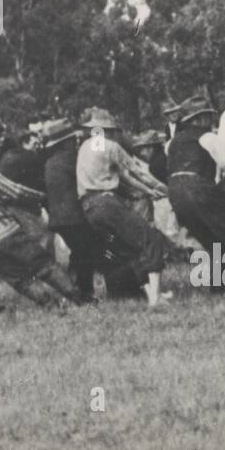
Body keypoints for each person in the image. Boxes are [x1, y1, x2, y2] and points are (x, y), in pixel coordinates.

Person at [0, 142, 86, 307]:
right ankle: (79, 298)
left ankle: (52, 304)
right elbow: (16, 192)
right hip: (8, 233)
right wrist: (41, 196)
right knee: (44, 266)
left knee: (20, 280)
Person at [76, 109, 170, 307]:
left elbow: (124, 177)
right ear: (109, 131)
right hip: (107, 203)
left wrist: (147, 191)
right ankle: (156, 297)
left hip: (88, 207)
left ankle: (150, 294)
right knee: (152, 239)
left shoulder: (84, 147)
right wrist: (164, 189)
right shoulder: (111, 147)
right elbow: (137, 172)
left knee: (131, 249)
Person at [166, 101, 225, 261]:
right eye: (207, 116)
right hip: (198, 189)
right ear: (199, 119)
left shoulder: (172, 143)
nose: (211, 120)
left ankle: (221, 285)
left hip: (175, 195)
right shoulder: (209, 137)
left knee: (211, 240)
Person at [40, 118, 104, 302]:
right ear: (66, 141)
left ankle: (74, 287)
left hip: (58, 218)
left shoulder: (50, 162)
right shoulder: (71, 158)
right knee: (86, 252)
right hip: (73, 216)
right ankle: (83, 293)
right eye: (71, 139)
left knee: (79, 251)